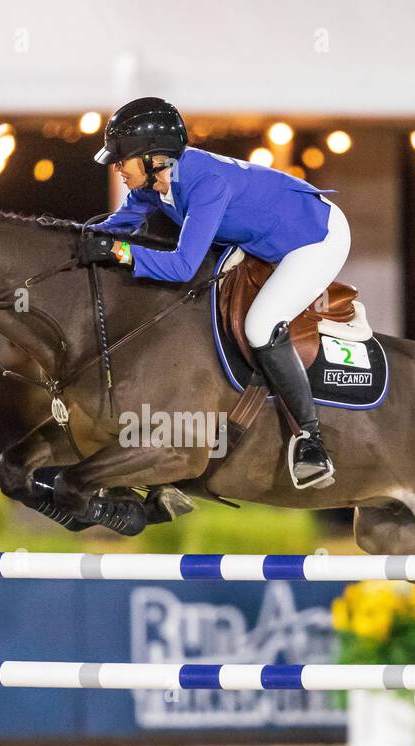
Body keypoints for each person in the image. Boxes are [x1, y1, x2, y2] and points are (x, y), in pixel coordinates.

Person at [79, 97, 350, 490]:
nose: (117, 168)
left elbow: (182, 265)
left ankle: (311, 441)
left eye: (123, 160)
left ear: (154, 157)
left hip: (314, 238)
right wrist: (80, 237)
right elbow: (118, 226)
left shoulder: (205, 184)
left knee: (260, 325)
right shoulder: (156, 182)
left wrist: (119, 253)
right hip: (262, 237)